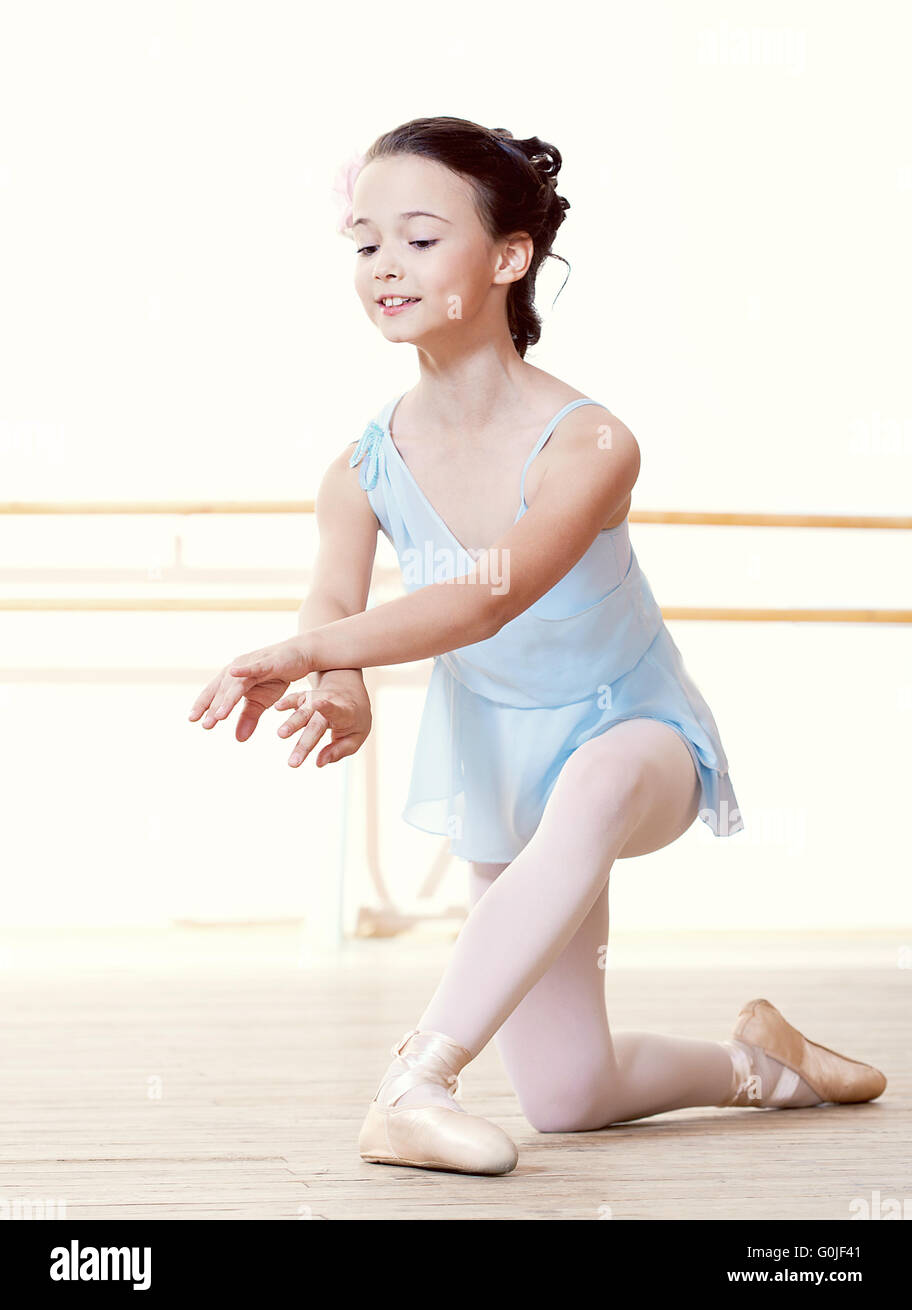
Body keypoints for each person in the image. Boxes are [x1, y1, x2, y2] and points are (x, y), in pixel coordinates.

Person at [188, 116, 886, 1177]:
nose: (385, 264)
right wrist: (341, 682)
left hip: (630, 728)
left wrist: (304, 650)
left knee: (600, 785)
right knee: (570, 1094)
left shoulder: (593, 441)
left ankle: (413, 1082)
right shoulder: (360, 467)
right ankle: (767, 1065)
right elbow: (332, 600)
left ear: (509, 257)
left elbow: (484, 598)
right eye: (365, 241)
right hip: (496, 762)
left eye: (420, 238)